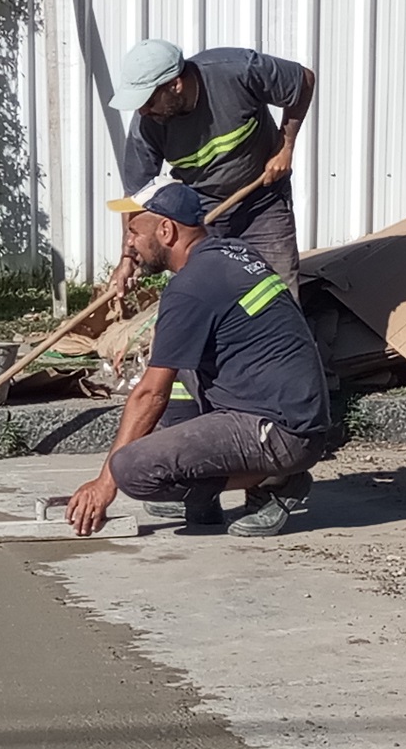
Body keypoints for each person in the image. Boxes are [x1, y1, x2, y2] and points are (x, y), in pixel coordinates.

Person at [66, 182, 331, 540]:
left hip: (282, 432)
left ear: (166, 230)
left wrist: (104, 483)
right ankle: (204, 495)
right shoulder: (232, 252)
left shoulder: (192, 285)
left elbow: (149, 395)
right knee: (175, 358)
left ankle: (277, 480)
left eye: (133, 231)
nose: (129, 244)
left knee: (132, 469)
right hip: (291, 416)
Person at [106, 39, 315, 295]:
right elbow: (135, 196)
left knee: (277, 292)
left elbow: (302, 80)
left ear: (175, 84)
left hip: (263, 200)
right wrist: (128, 258)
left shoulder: (236, 71)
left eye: (148, 101)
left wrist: (285, 145)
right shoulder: (147, 125)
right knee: (208, 296)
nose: (143, 111)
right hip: (202, 213)